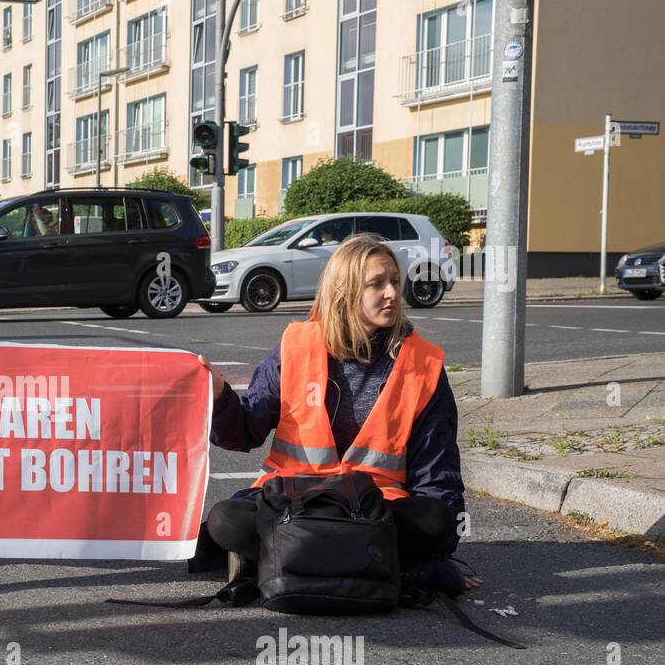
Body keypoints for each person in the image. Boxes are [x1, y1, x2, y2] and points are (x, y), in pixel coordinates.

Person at [192, 233, 483, 597]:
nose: (393, 292)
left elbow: (437, 468)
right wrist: (220, 397)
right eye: (377, 284)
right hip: (295, 503)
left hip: (373, 508)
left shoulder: (421, 364)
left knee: (435, 519)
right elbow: (244, 431)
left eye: (394, 280)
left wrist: (441, 546)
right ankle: (380, 563)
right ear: (343, 293)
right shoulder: (296, 348)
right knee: (226, 519)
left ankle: (282, 560)